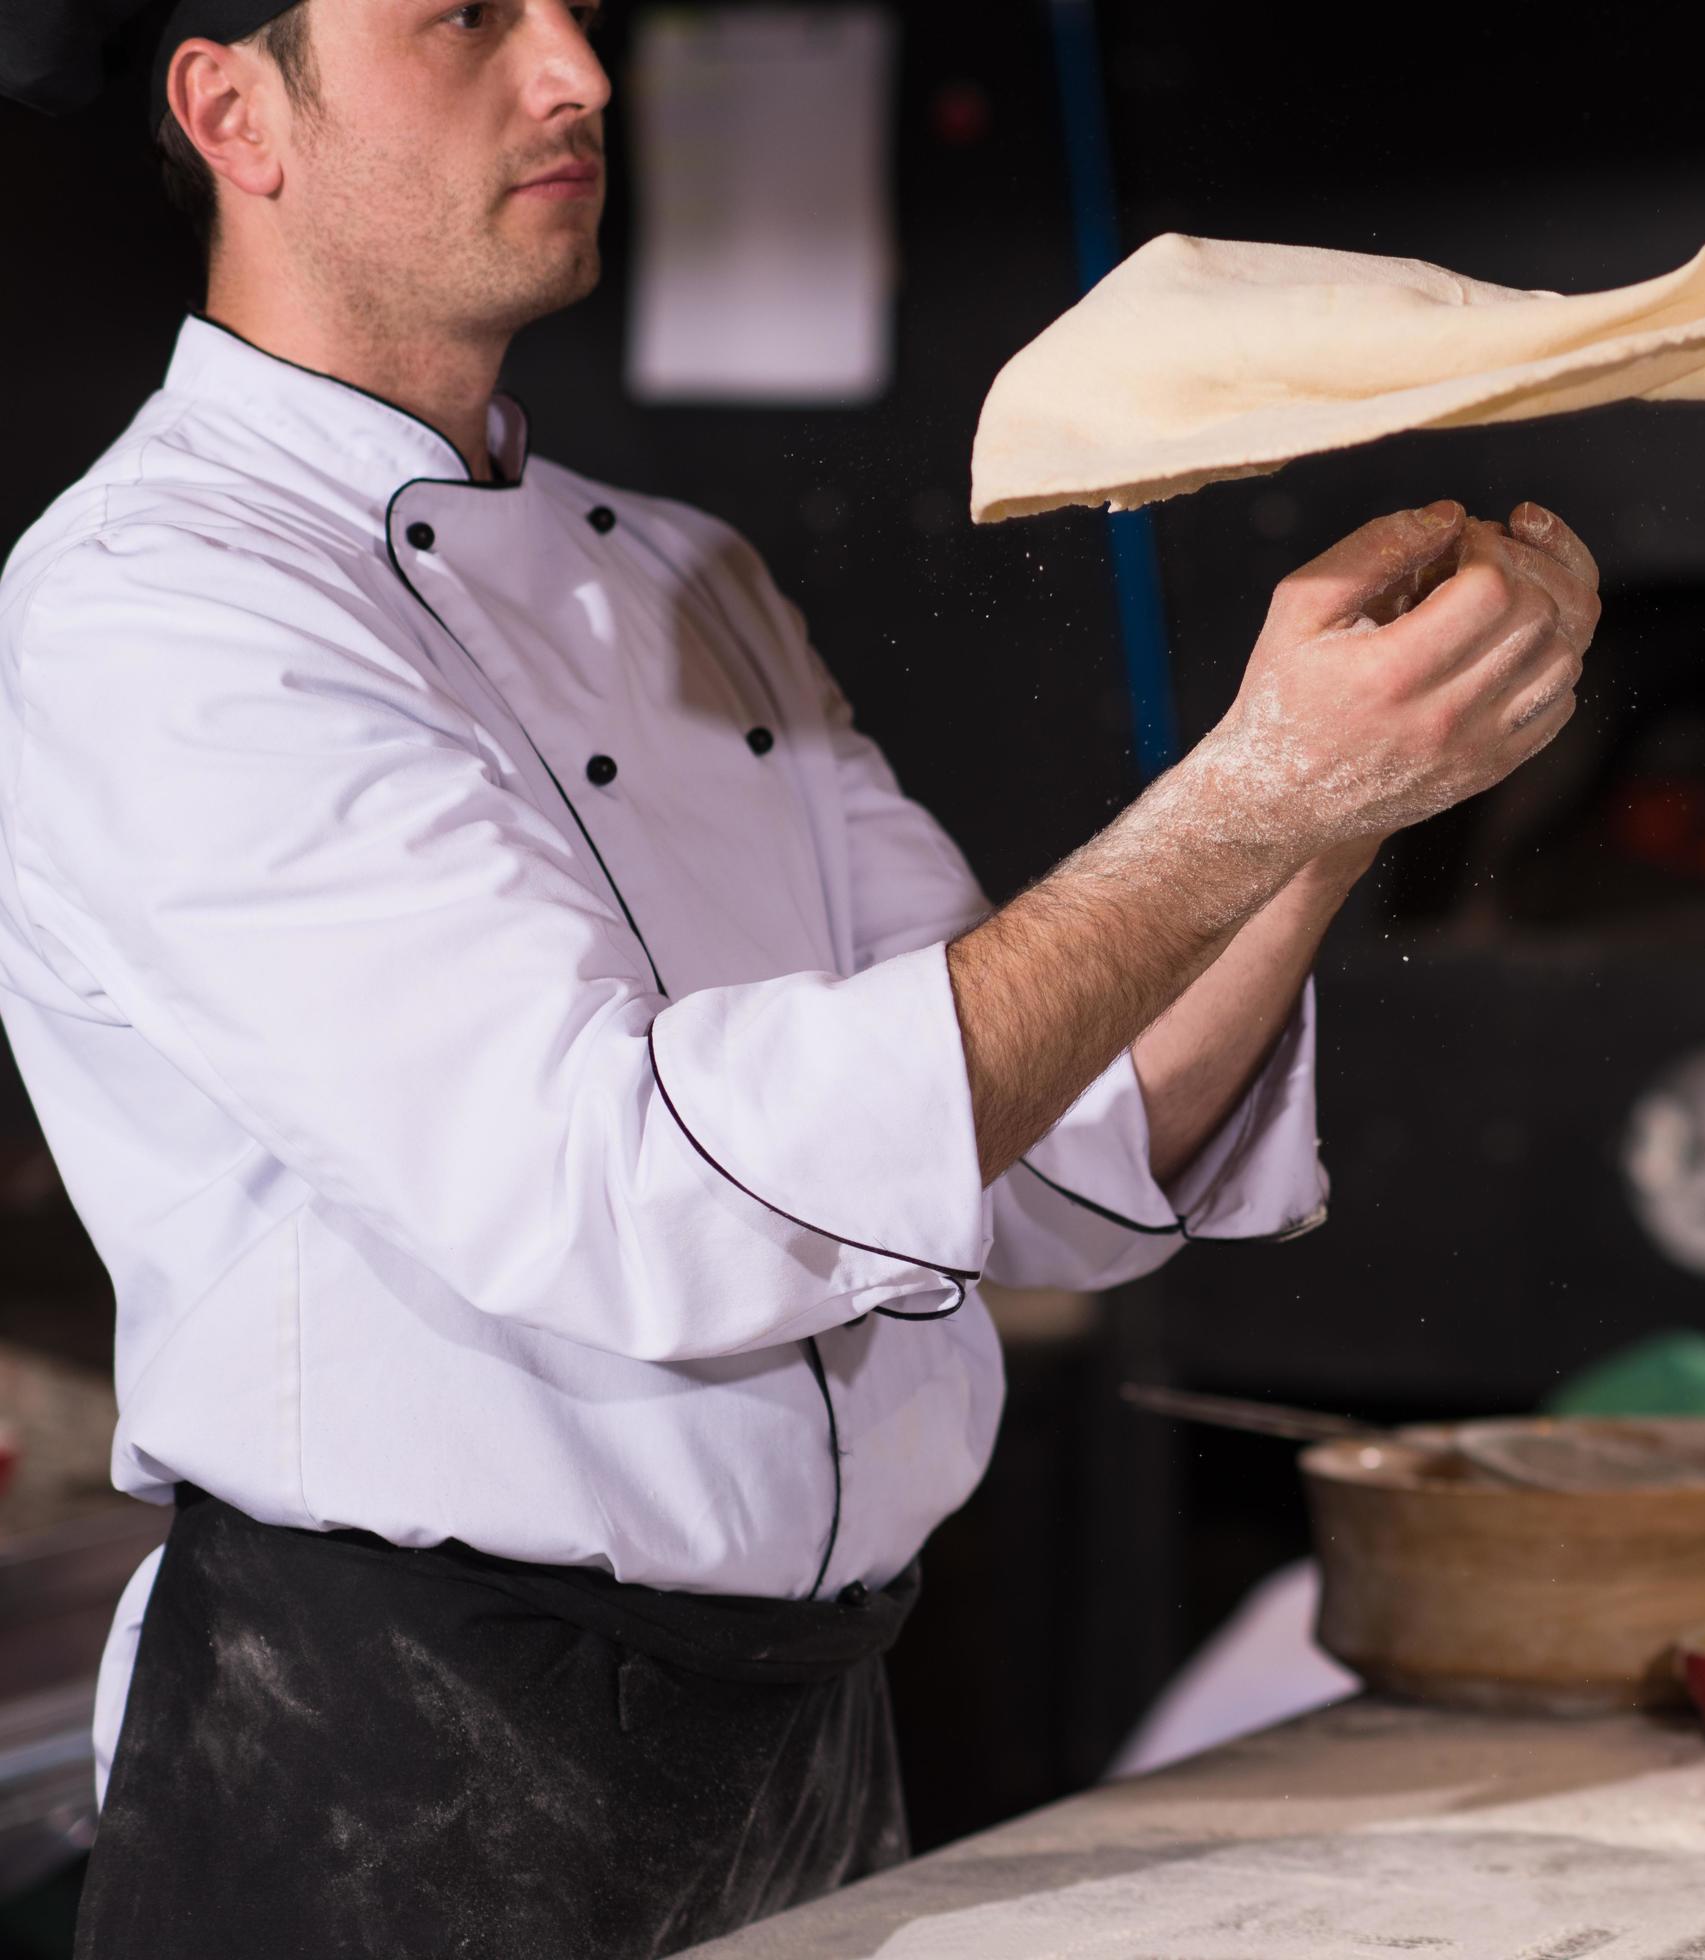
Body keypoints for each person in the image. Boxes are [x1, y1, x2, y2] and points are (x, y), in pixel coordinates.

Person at [0, 2, 1599, 1953]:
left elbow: (1039, 1154)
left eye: (577, 8)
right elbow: (632, 1194)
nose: (581, 71)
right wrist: (1246, 788)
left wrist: (1336, 802)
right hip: (391, 1770)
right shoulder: (161, 603)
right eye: (469, 20)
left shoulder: (692, 575)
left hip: (813, 1738)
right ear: (233, 106)